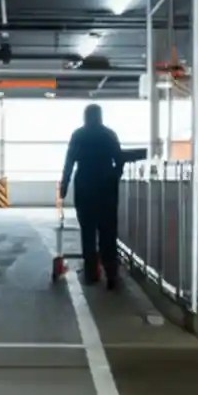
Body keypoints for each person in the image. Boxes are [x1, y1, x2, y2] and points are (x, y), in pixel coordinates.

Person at [60, 104, 123, 288]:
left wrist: (64, 185)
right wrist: (114, 176)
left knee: (87, 233)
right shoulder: (109, 135)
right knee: (108, 233)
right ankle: (111, 275)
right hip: (106, 190)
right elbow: (119, 161)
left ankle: (91, 274)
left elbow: (69, 162)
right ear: (100, 116)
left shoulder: (78, 135)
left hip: (84, 187)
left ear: (85, 117)